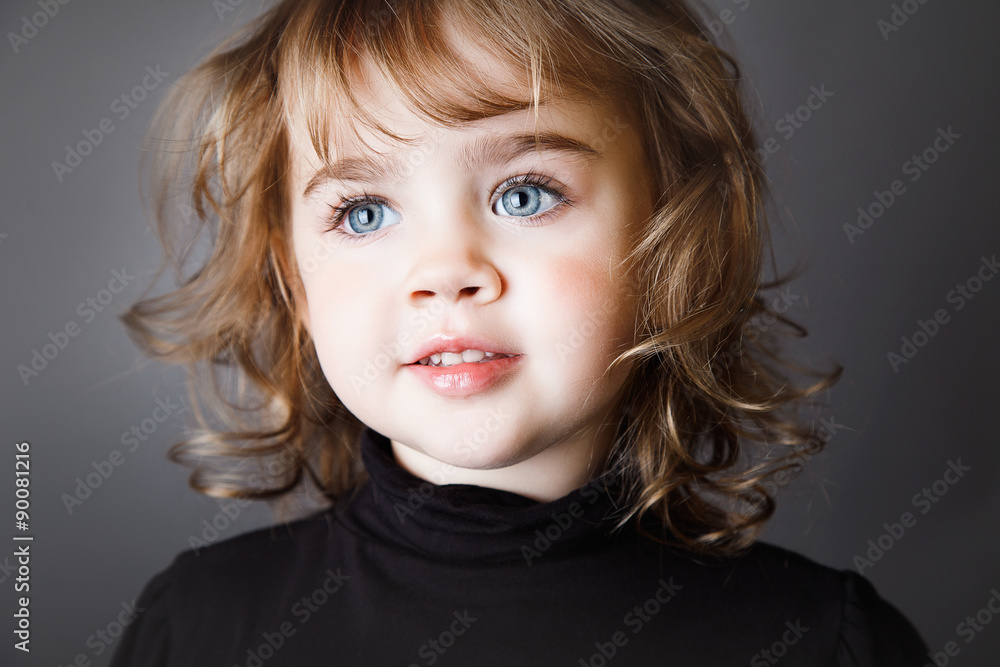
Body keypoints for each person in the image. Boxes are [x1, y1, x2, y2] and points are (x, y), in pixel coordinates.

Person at [111, 0, 928, 664]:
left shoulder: (826, 641)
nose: (444, 270)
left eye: (525, 194)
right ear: (295, 287)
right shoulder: (197, 627)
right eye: (364, 213)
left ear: (671, 243)